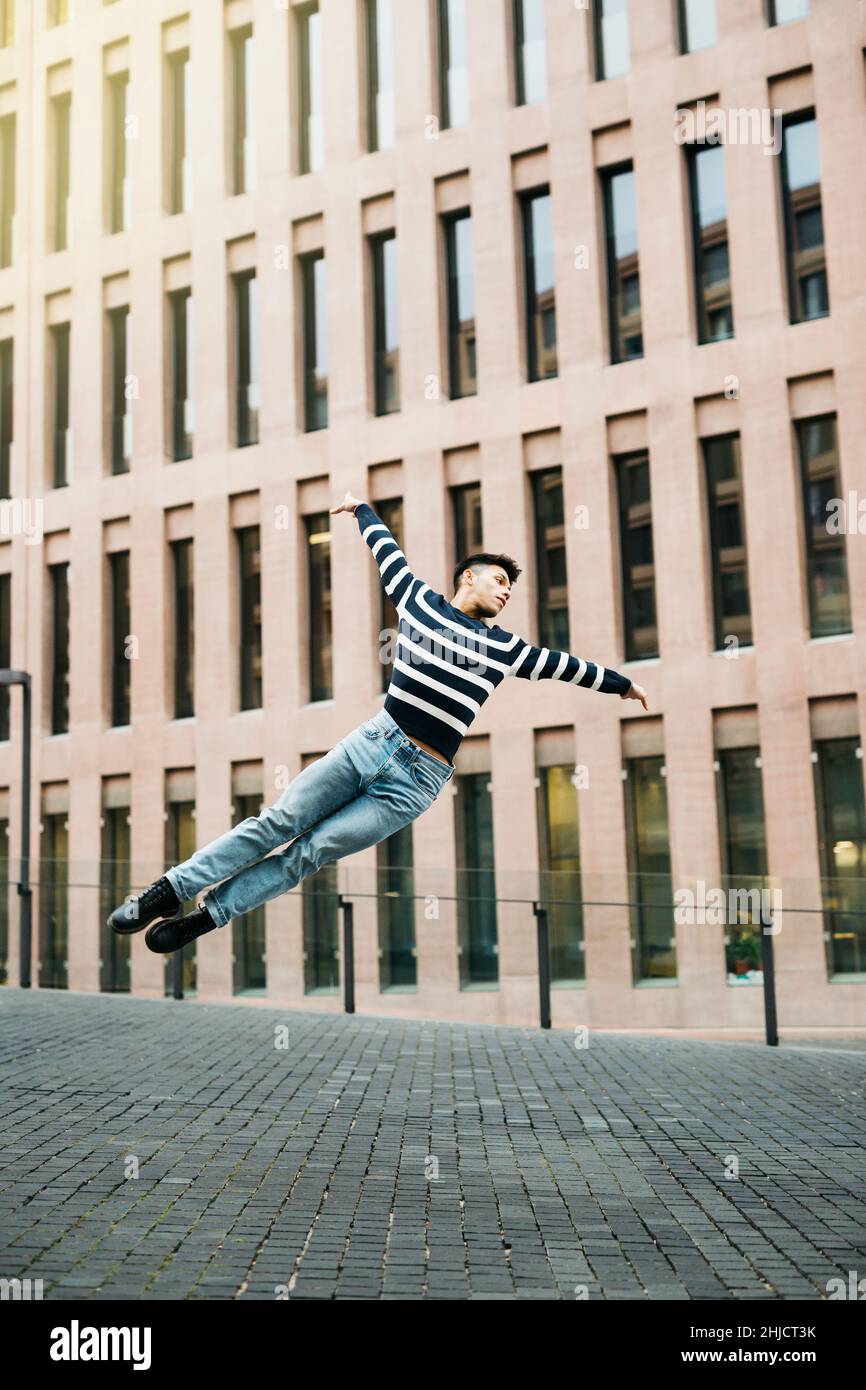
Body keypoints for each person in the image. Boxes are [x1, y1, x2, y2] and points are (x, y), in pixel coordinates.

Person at [107, 492, 649, 955]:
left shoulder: (506, 649)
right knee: (278, 821)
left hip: (416, 784)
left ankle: (205, 918)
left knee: (308, 854)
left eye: (511, 587)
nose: (507, 591)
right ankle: (164, 892)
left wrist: (623, 685)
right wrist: (363, 510)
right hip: (372, 743)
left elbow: (567, 667)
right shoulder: (417, 601)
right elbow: (387, 555)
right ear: (469, 577)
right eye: (500, 579)